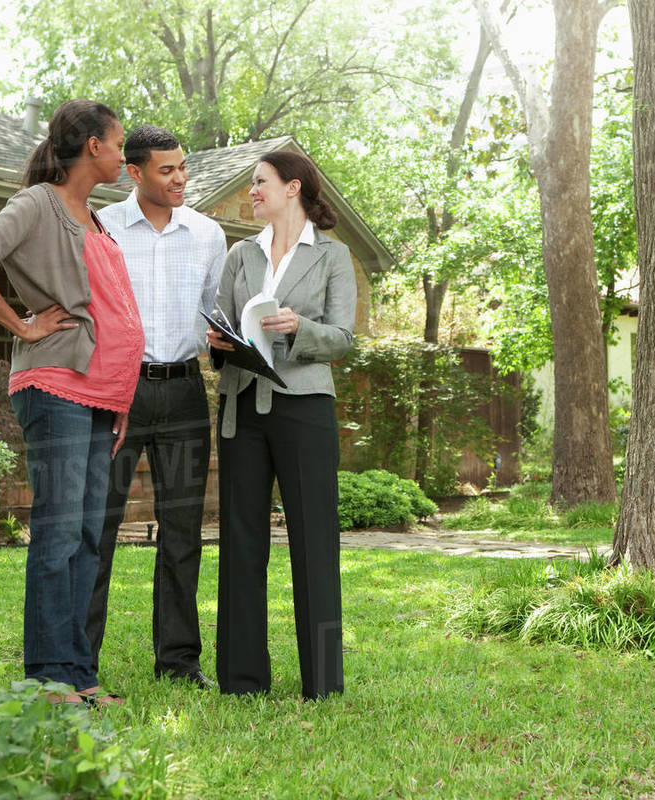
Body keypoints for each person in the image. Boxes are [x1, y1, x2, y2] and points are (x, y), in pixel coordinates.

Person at [0, 99, 143, 707]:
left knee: (86, 534)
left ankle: (79, 676)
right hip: (55, 385)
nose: (121, 155)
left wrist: (121, 397)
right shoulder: (37, 203)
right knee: (59, 534)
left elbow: (112, 309)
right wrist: (23, 327)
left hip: (99, 393)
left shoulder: (97, 216)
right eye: (117, 144)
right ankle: (47, 677)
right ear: (91, 146)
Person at [206, 150, 355, 700]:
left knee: (315, 543)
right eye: (251, 183)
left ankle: (323, 680)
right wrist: (219, 342)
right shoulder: (239, 255)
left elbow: (343, 338)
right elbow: (220, 326)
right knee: (241, 543)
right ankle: (242, 681)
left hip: (305, 409)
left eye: (260, 181)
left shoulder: (333, 257)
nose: (252, 190)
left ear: (293, 187)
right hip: (241, 408)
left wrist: (299, 328)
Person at [86, 125, 226, 688]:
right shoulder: (103, 226)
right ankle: (79, 662)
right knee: (98, 527)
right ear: (135, 172)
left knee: (183, 531)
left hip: (186, 390)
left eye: (183, 168)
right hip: (117, 391)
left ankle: (178, 662)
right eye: (166, 170)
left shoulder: (209, 234)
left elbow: (217, 317)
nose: (180, 179)